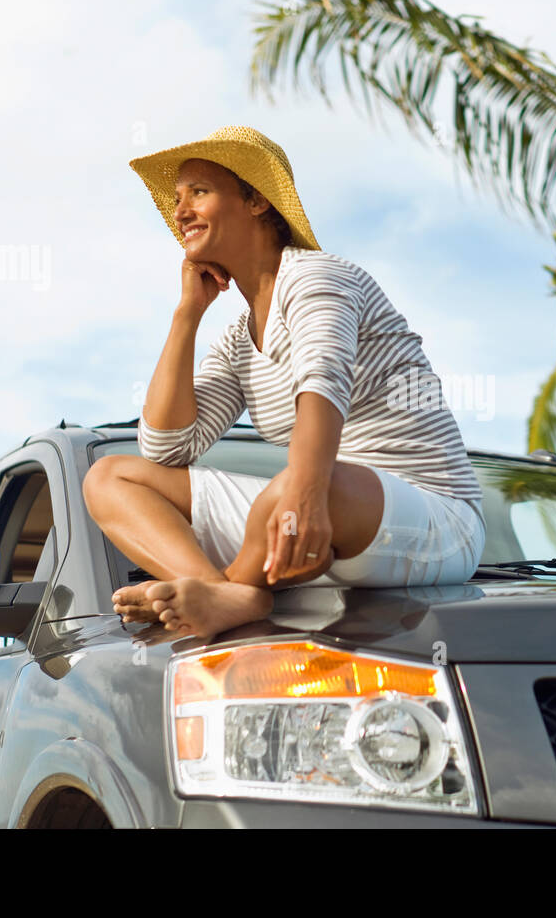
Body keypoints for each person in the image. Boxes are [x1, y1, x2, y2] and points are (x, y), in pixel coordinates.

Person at [82, 125, 486, 638]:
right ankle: (222, 594)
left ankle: (232, 589)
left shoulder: (318, 275)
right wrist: (187, 314)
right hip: (316, 520)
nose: (180, 211)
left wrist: (306, 496)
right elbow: (166, 447)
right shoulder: (236, 337)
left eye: (199, 193)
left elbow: (324, 381)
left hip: (431, 521)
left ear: (256, 201)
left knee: (292, 486)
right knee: (110, 477)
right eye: (177, 199)